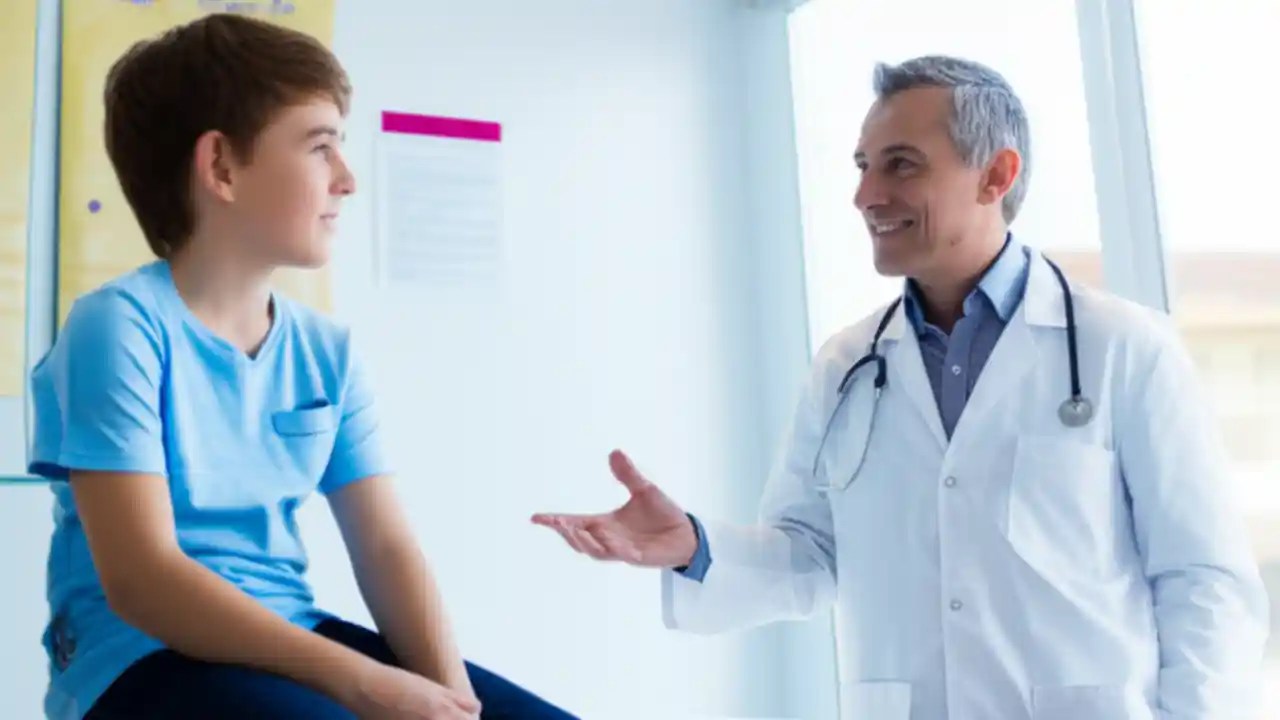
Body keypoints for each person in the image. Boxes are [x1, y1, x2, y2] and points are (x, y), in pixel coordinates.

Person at [533, 55, 1269, 719]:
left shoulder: (1123, 348)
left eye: (901, 165)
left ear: (996, 175)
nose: (865, 195)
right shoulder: (847, 364)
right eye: (861, 165)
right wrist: (693, 546)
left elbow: (1203, 579)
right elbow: (811, 555)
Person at [28, 14, 574, 720]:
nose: (347, 180)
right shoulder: (120, 327)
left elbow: (385, 545)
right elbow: (144, 579)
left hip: (289, 636)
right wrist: (364, 684)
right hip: (138, 660)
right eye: (321, 148)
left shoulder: (327, 352)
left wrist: (454, 699)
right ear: (221, 166)